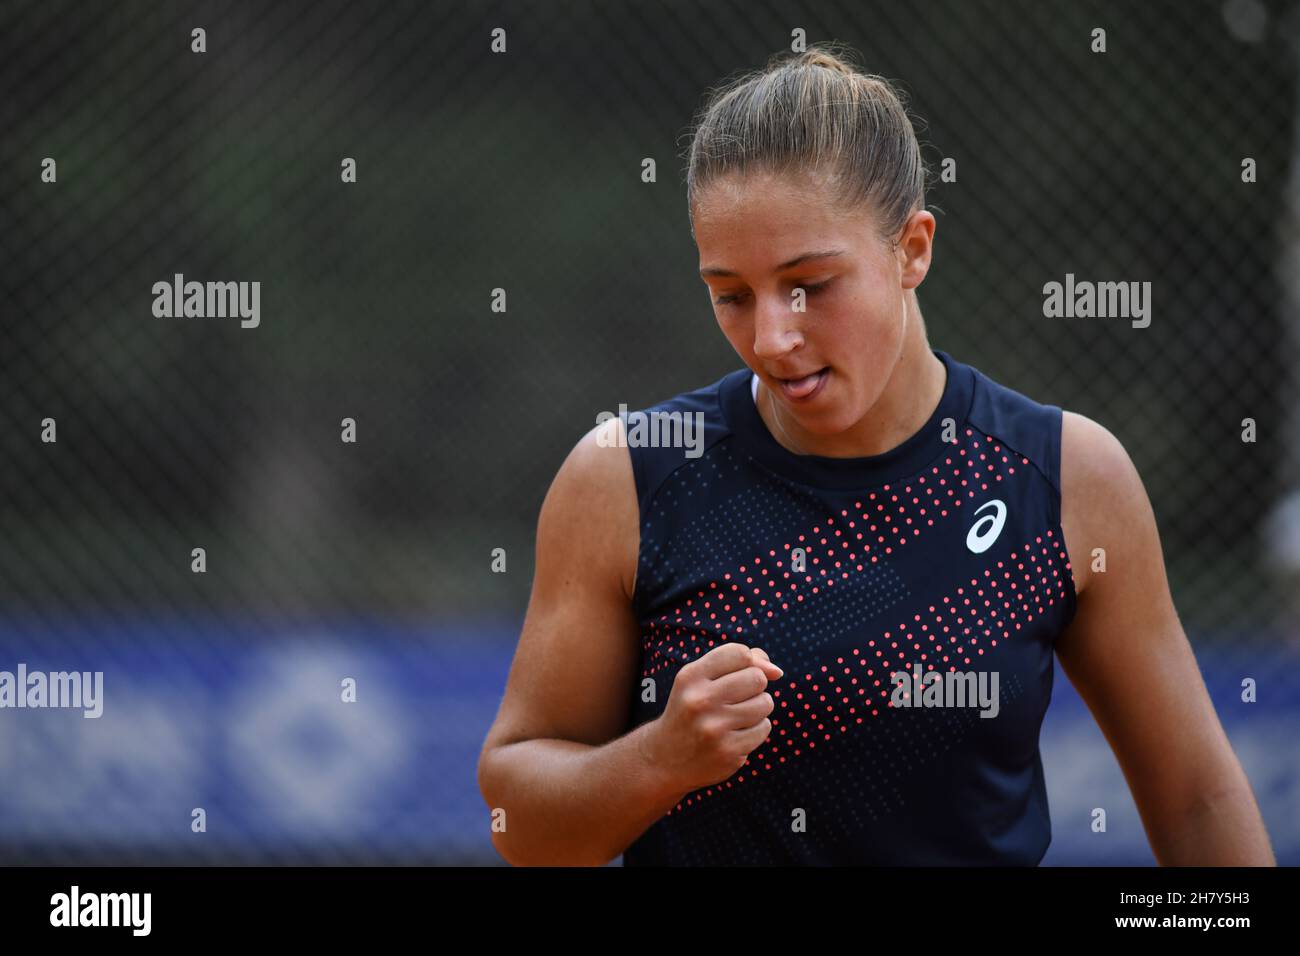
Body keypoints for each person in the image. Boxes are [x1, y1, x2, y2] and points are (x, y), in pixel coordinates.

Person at [477, 43, 1275, 866]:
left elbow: (1197, 801)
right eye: (731, 295)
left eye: (810, 284)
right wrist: (658, 760)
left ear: (913, 249)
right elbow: (519, 824)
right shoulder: (628, 475)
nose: (772, 337)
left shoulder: (1068, 476)